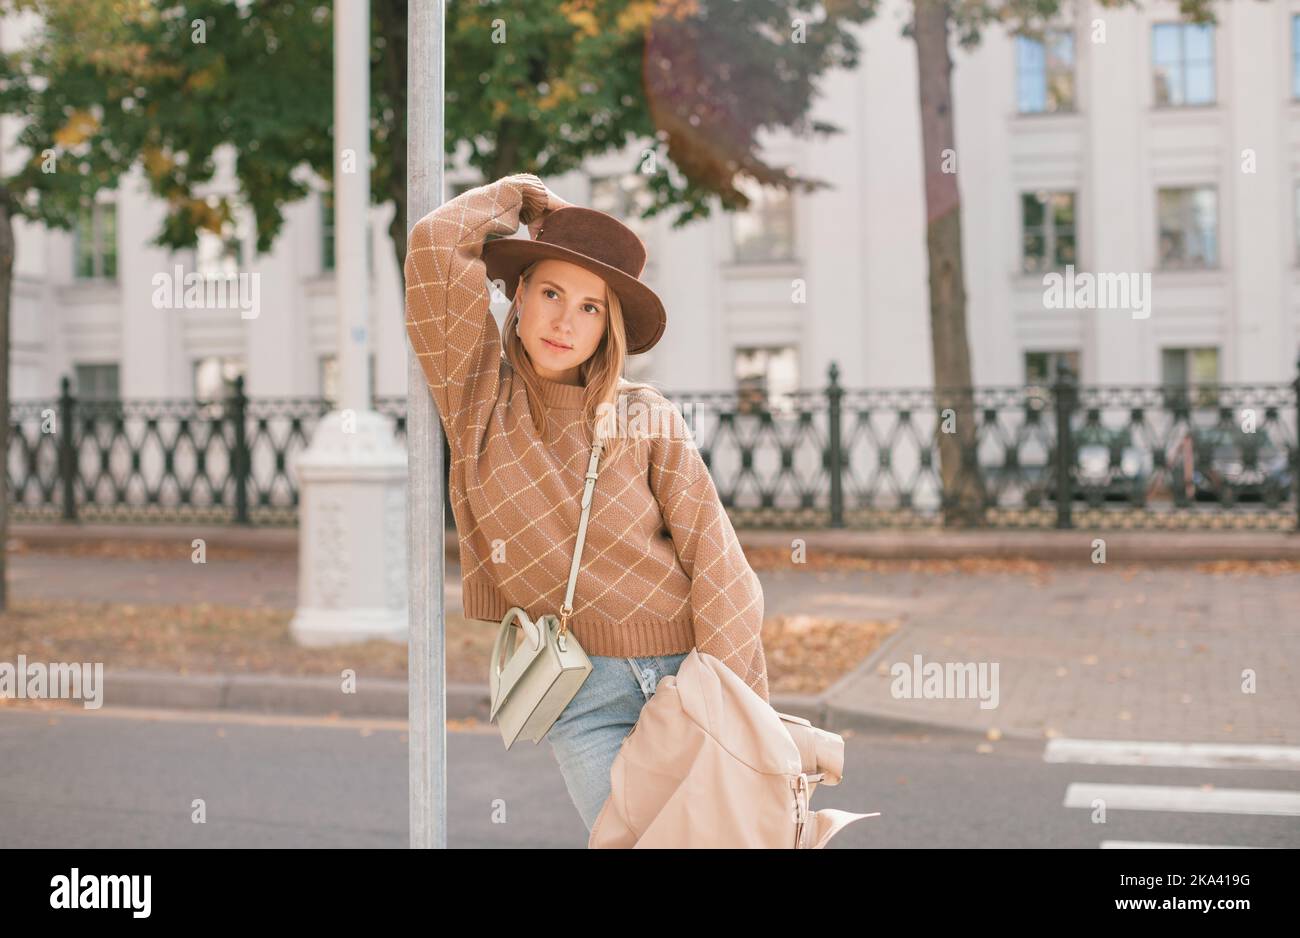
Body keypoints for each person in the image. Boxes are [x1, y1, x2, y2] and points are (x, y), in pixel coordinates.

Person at [403, 172, 769, 834]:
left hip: (686, 674)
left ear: (609, 327)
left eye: (591, 306)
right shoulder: (479, 396)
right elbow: (435, 246)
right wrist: (522, 196)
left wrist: (732, 709)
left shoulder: (643, 416)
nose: (565, 320)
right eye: (550, 292)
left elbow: (721, 568)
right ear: (518, 295)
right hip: (581, 696)